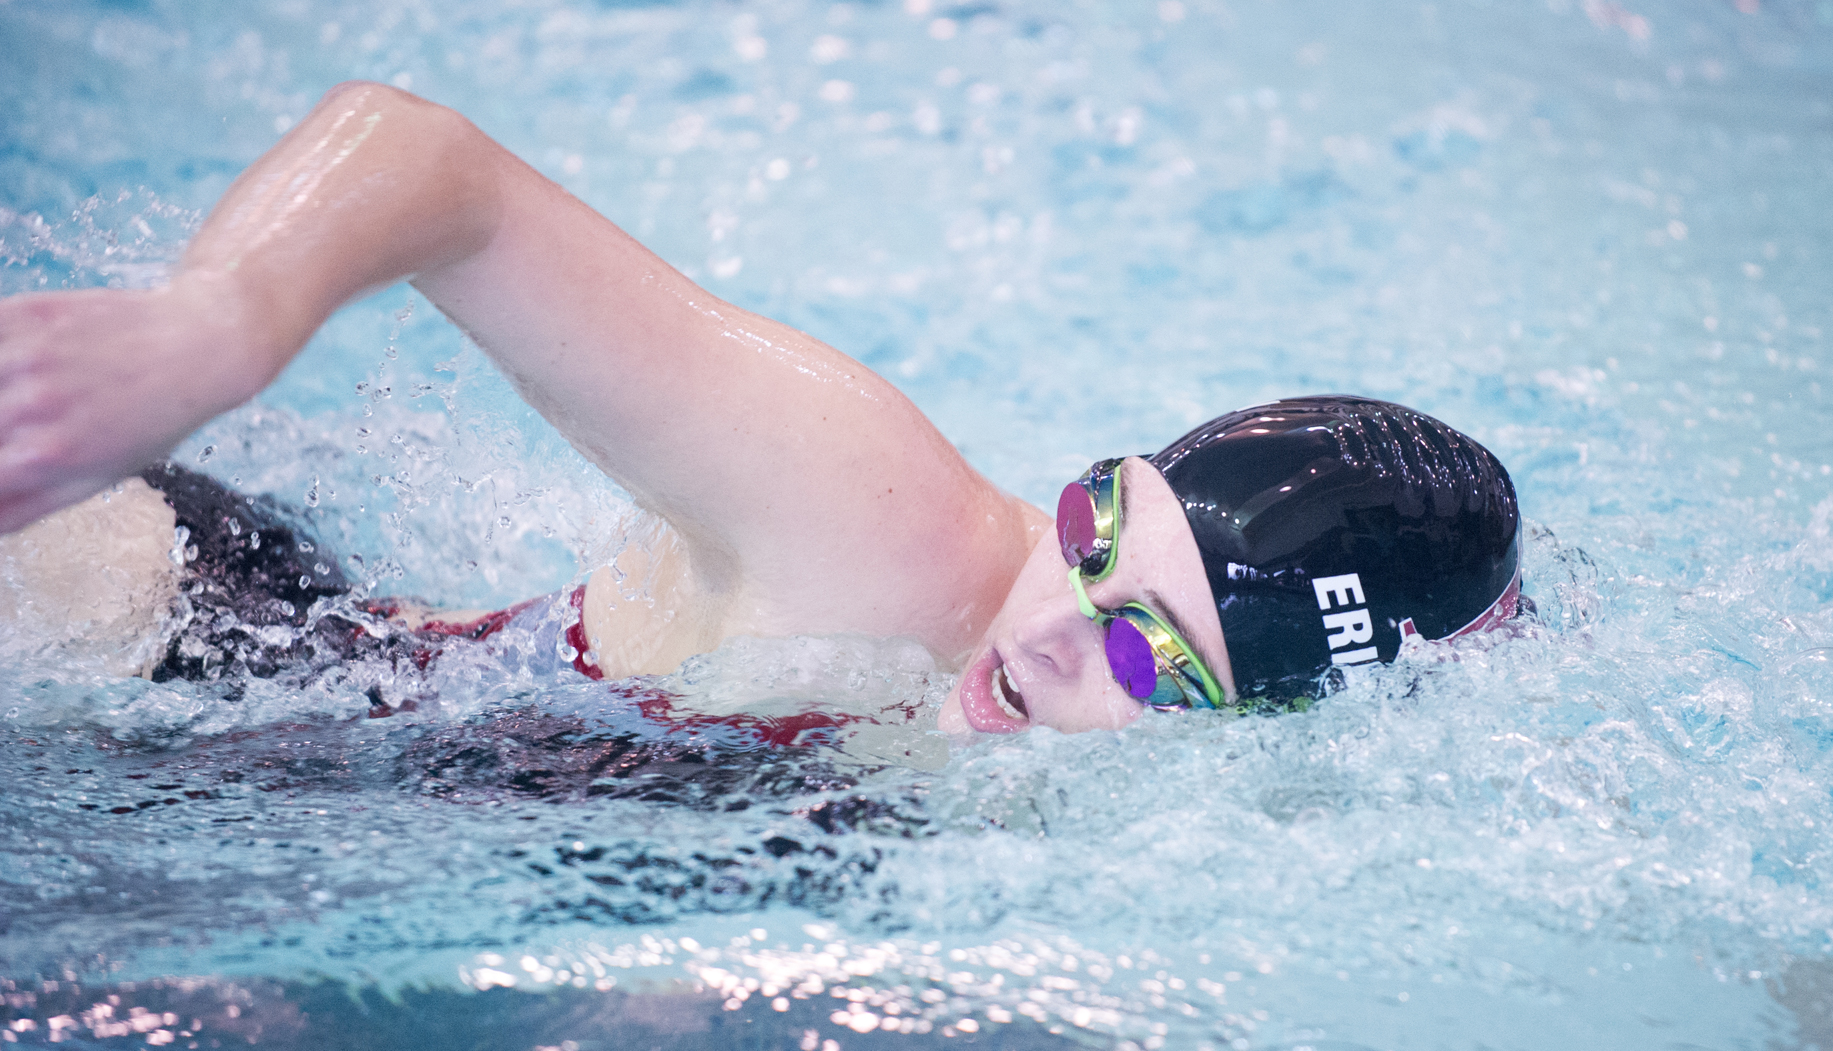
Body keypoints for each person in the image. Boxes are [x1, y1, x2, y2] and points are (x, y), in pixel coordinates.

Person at [0, 82, 1521, 736]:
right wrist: (216, 326)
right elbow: (427, 165)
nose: (1049, 623)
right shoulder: (870, 523)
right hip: (187, 659)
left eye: (1148, 652)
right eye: (1094, 531)